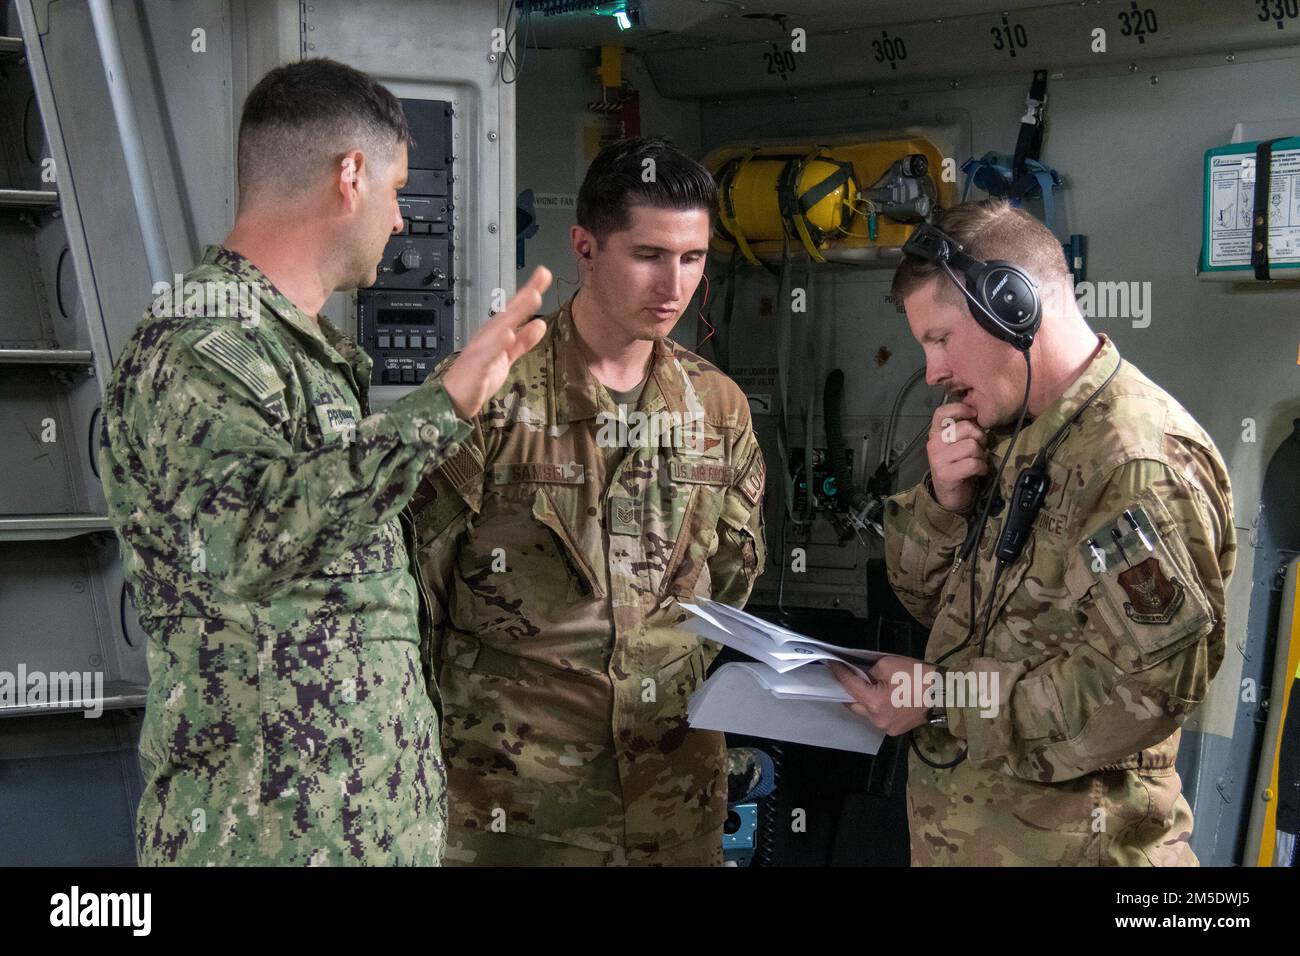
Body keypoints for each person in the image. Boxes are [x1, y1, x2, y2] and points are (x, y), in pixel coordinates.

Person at [100, 57, 551, 865]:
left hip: (363, 831)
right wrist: (439, 406)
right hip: (263, 837)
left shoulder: (299, 353)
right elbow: (251, 541)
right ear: (351, 175)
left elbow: (342, 556)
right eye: (396, 188)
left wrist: (471, 432)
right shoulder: (200, 346)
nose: (403, 219)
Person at [831, 199, 1236, 865]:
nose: (932, 372)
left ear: (1013, 306)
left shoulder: (1132, 462)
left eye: (939, 339)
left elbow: (1140, 694)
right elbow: (932, 605)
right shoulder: (1013, 434)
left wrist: (941, 699)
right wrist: (943, 501)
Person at [413, 137, 767, 866]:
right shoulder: (489, 394)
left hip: (674, 803)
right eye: (648, 255)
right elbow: (415, 595)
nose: (674, 284)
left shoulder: (718, 409)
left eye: (693, 258)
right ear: (584, 246)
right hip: (516, 811)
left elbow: (730, 585)